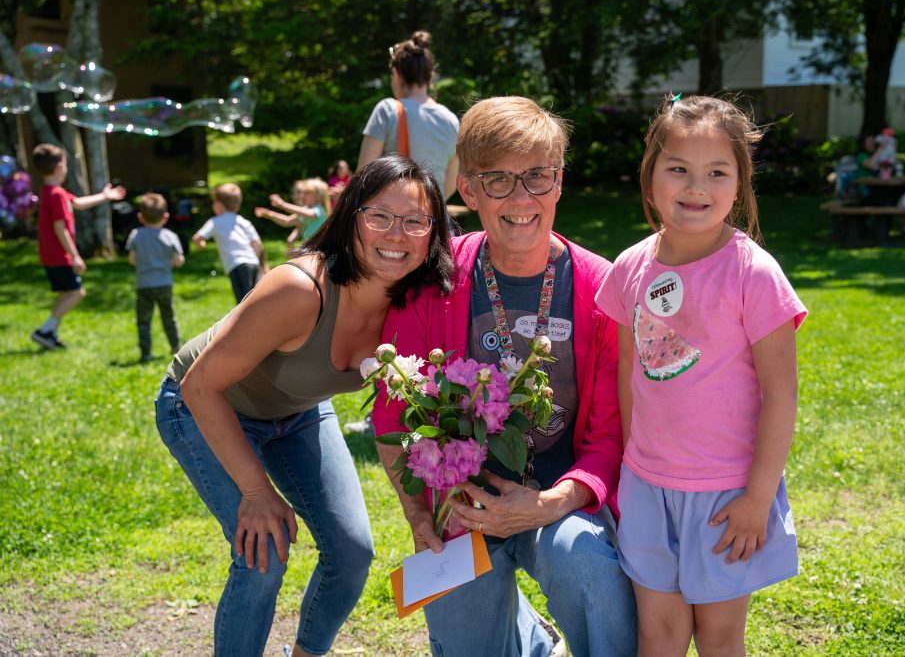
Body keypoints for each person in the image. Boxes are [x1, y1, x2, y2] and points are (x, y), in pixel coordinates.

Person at [154, 155, 455, 657]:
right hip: (203, 404)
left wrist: (416, 514)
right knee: (263, 553)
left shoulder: (412, 307)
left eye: (415, 221)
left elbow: (390, 421)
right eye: (379, 216)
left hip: (299, 412)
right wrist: (256, 491)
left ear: (434, 232)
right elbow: (200, 385)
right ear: (350, 216)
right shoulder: (299, 289)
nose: (396, 235)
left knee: (353, 552)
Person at [373, 96, 637, 657]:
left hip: (560, 504)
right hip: (463, 507)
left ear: (559, 182)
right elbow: (393, 418)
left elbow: (613, 436)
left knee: (586, 564)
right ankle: (531, 639)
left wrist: (549, 504)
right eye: (498, 181)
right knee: (467, 631)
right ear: (467, 190)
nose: (521, 198)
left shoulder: (603, 288)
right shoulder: (433, 284)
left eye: (537, 176)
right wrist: (422, 517)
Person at [594, 95, 808, 657]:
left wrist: (758, 499)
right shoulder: (629, 268)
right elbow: (629, 372)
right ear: (650, 180)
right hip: (645, 487)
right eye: (679, 170)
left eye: (717, 172)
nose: (697, 187)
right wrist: (626, 471)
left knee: (717, 638)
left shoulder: (754, 273)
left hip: (725, 496)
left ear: (739, 185)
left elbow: (781, 395)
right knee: (657, 635)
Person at [30, 143, 126, 350]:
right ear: (58, 167)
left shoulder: (52, 191)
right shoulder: (56, 195)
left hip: (50, 255)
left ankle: (50, 333)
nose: (66, 168)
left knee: (67, 292)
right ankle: (45, 330)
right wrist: (74, 256)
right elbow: (60, 228)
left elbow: (78, 203)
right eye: (65, 164)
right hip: (58, 255)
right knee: (76, 293)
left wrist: (104, 196)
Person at [358, 31, 460, 202]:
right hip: (434, 217)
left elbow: (363, 175)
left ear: (396, 75)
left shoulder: (387, 110)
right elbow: (450, 184)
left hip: (393, 218)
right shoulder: (451, 120)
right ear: (430, 76)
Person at [125, 192, 184, 362]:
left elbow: (131, 259)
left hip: (144, 285)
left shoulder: (136, 234)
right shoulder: (170, 236)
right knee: (169, 317)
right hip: (164, 284)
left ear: (140, 217)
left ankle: (146, 353)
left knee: (143, 321)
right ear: (165, 217)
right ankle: (175, 347)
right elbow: (179, 260)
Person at [193, 183, 268, 304]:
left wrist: (201, 244)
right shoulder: (243, 221)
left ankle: (247, 323)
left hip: (237, 265)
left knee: (243, 304)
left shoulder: (215, 221)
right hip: (253, 263)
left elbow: (197, 237)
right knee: (253, 301)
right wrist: (263, 265)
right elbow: (257, 244)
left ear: (218, 204)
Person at [255, 178, 331, 247]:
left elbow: (309, 213)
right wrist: (269, 214)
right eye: (303, 192)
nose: (302, 196)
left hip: (321, 247)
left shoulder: (319, 210)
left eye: (307, 193)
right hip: (310, 246)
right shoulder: (305, 209)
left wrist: (283, 204)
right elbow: (287, 221)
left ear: (318, 195)